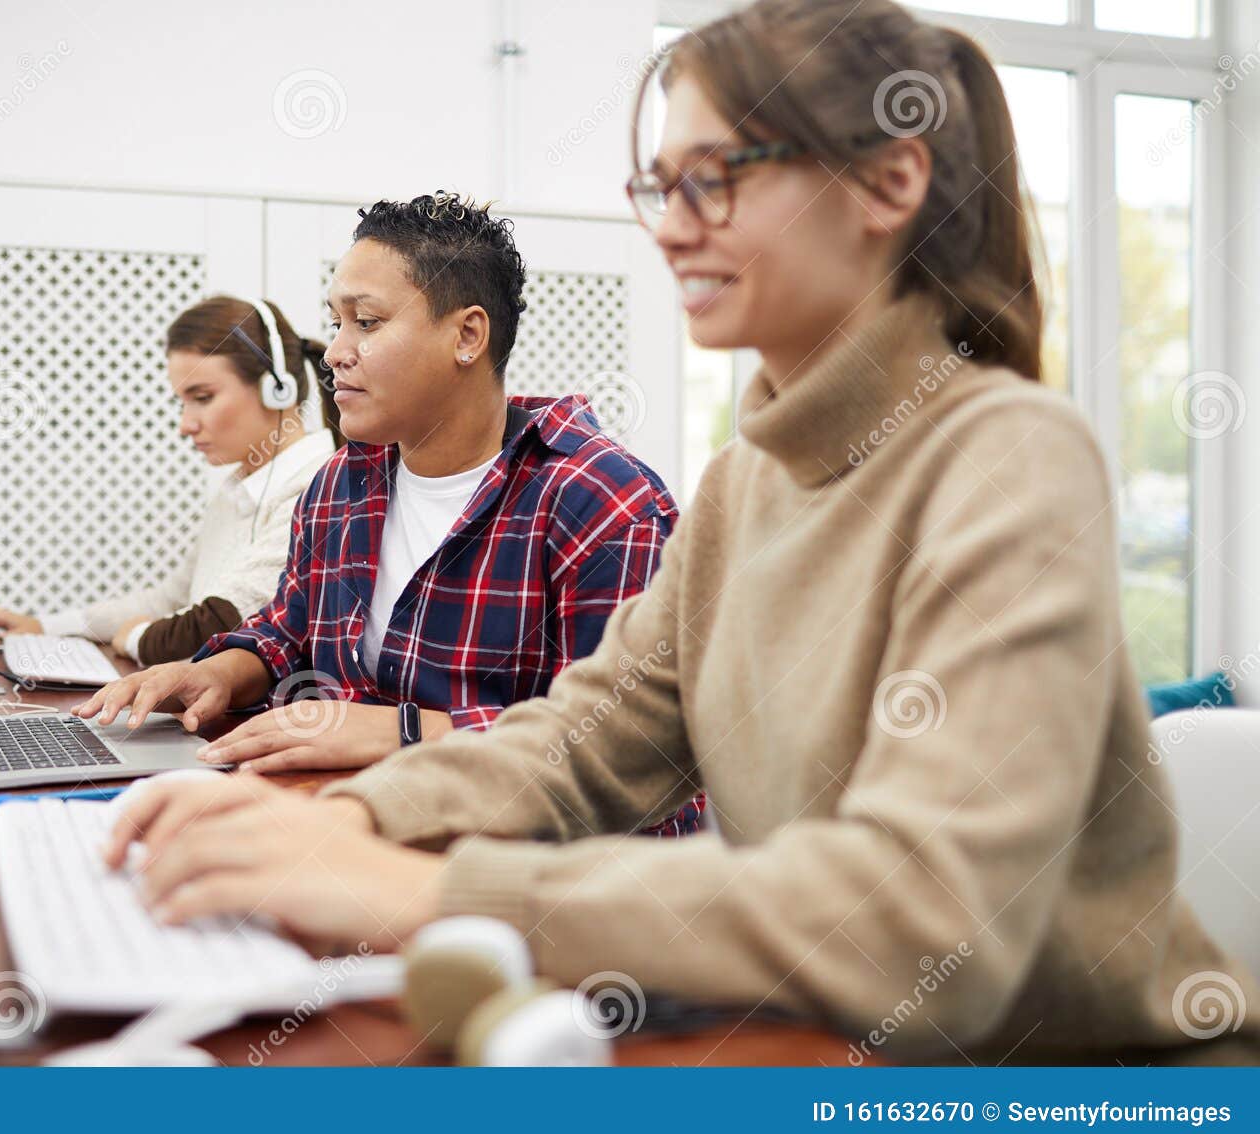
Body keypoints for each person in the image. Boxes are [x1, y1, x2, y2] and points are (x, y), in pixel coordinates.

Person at [97, 0, 1260, 1064]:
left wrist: (429, 892)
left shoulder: (1008, 453)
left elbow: (923, 920)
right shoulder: (748, 481)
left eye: (713, 179)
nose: (672, 228)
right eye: (660, 186)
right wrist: (352, 817)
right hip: (823, 1043)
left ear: (887, 181)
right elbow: (586, 740)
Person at [77, 192, 701, 835]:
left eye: (367, 323)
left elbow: (626, 753)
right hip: (343, 825)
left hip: (514, 866)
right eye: (337, 322)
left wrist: (404, 731)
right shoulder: (341, 483)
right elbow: (289, 630)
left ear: (467, 336)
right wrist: (213, 673)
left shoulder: (602, 503)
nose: (335, 352)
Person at [0, 296, 339, 665]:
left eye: (202, 397)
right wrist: (45, 627)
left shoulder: (319, 486)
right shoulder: (239, 488)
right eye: (183, 402)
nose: (185, 425)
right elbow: (169, 601)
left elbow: (223, 621)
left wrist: (136, 639)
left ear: (277, 389)